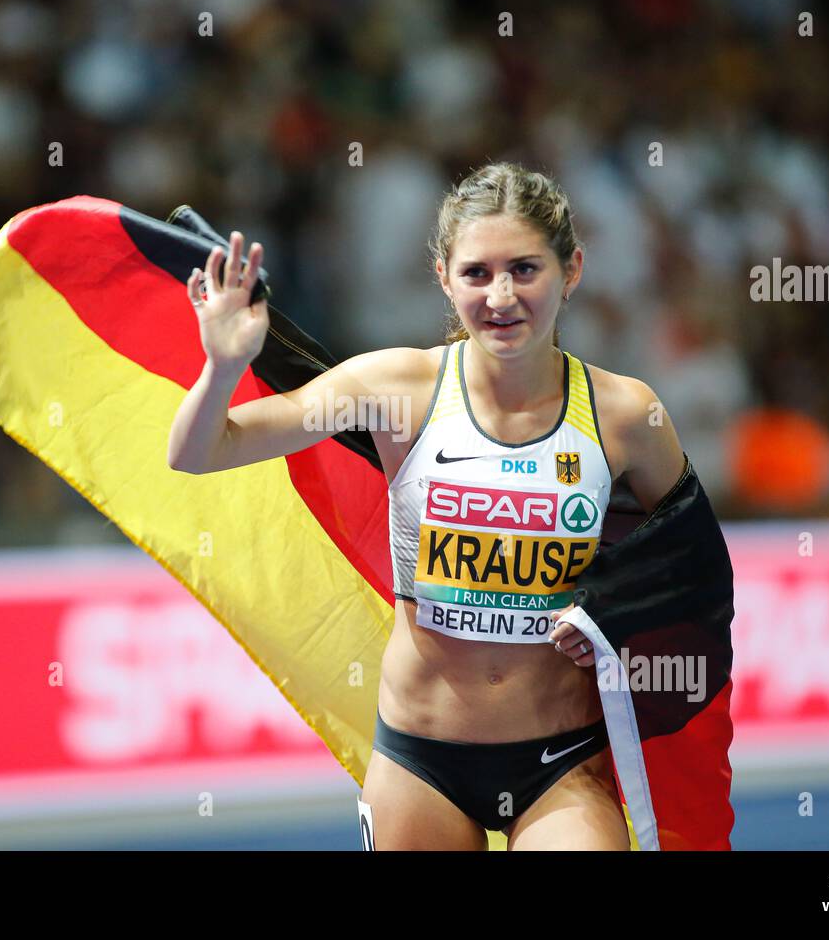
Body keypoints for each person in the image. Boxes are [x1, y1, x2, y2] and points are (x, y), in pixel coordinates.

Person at [168, 162, 688, 850]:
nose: (501, 296)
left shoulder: (626, 415)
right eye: (477, 273)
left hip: (563, 763)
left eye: (525, 269)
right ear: (444, 276)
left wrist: (612, 606)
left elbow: (689, 562)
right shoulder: (397, 390)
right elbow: (200, 451)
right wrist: (224, 366)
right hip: (422, 762)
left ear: (572, 270)